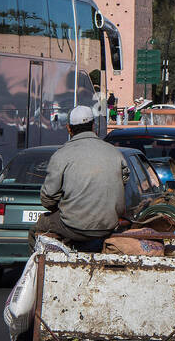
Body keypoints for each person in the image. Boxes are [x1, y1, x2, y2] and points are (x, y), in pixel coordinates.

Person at [29, 104, 129, 251]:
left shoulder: (62, 155)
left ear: (69, 128)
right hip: (109, 225)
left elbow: (47, 198)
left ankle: (42, 271)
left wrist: (58, 207)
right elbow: (124, 181)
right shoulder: (115, 152)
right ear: (93, 126)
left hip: (73, 226)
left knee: (36, 229)